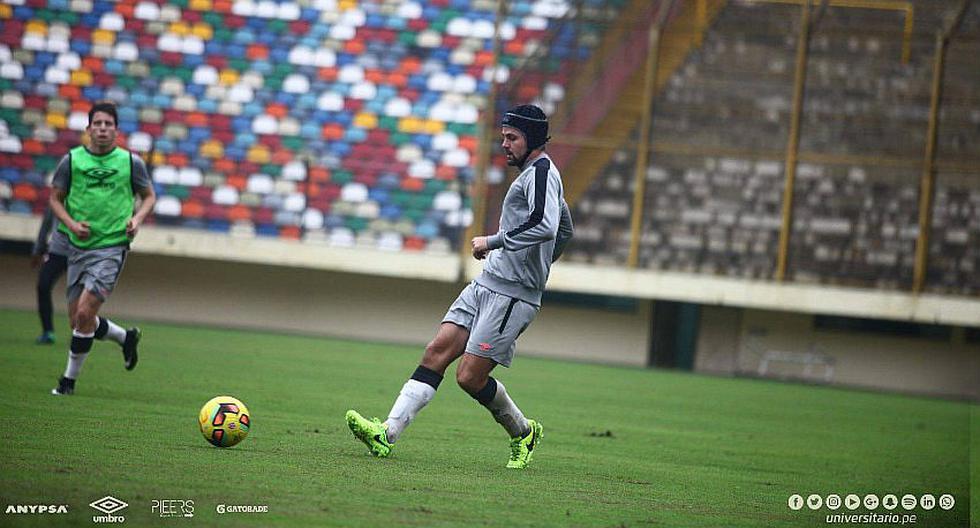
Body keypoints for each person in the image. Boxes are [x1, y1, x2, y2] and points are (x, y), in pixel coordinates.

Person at [346, 104, 574, 469]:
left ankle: (523, 432)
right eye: (503, 137)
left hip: (513, 294)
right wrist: (536, 259)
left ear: (531, 138)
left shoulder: (543, 172)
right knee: (436, 351)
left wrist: (495, 243)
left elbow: (546, 226)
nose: (505, 144)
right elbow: (564, 229)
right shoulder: (533, 174)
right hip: (488, 283)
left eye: (512, 138)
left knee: (469, 377)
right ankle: (386, 434)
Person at [48, 101, 156, 395]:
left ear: (116, 131)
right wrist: (71, 224)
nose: (103, 129)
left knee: (84, 315)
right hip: (77, 248)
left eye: (108, 124)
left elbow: (148, 196)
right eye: (98, 124)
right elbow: (55, 198)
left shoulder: (130, 163)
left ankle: (68, 382)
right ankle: (125, 337)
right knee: (78, 321)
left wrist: (137, 218)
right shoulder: (72, 161)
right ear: (89, 129)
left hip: (111, 247)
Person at [31, 206, 70, 344]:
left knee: (81, 293)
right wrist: (38, 250)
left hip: (80, 253)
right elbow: (45, 226)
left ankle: (81, 333)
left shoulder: (85, 194)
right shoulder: (55, 199)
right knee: (43, 286)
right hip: (56, 253)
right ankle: (48, 332)